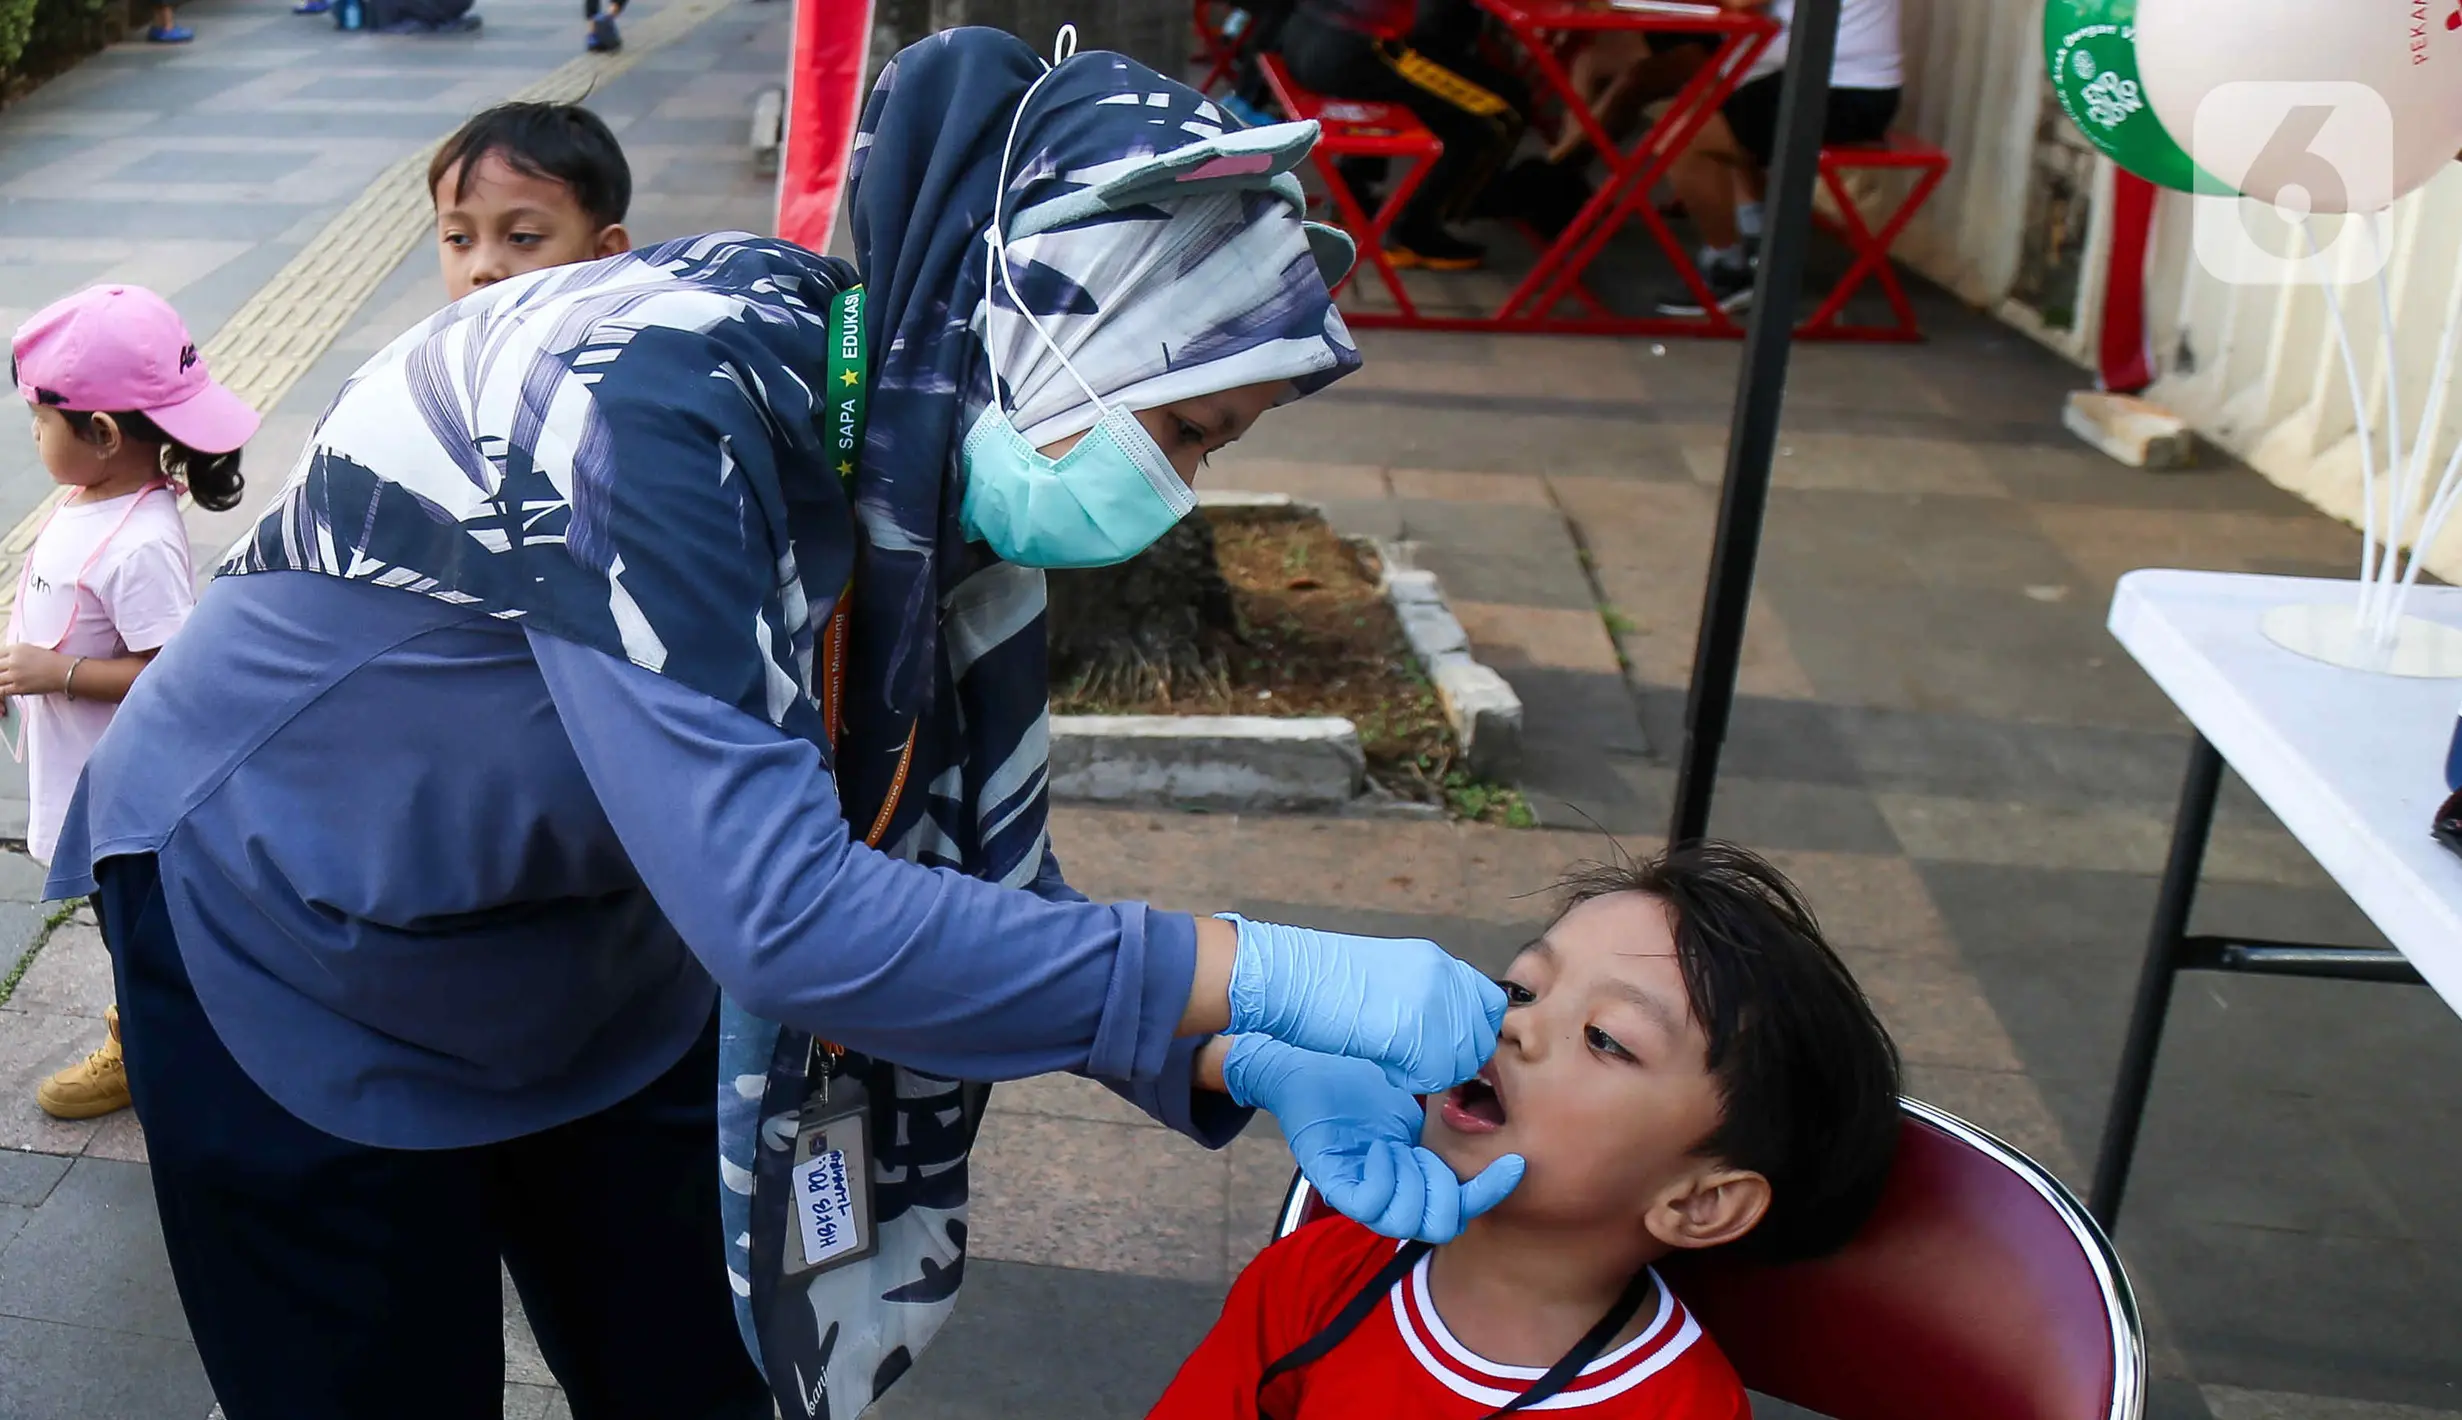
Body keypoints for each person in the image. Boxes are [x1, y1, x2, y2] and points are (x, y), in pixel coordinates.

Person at [46, 28, 1520, 1420]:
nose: (1177, 488)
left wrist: (1227, 1047)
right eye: (1187, 429)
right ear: (1037, 323)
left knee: (701, 1371)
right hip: (291, 933)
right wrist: (1257, 968)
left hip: (592, 942)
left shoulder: (900, 413)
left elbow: (944, 878)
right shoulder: (642, 400)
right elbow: (788, 920)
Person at [1151, 842, 1905, 1417]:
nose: (1516, 1025)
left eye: (1606, 1037)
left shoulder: (1680, 1408)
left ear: (1700, 1202)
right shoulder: (1321, 1273)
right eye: (1521, 987)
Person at [10, 286, 254, 1121]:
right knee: (126, 921)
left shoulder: (142, 538)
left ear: (103, 434)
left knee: (131, 924)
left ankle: (147, 1047)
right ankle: (159, 1027)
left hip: (121, 790)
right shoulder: (90, 496)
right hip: (81, 764)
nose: (33, 433)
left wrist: (56, 674)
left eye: (40, 420)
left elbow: (169, 670)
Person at [1657, 0, 1903, 315]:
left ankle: (1729, 271)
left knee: (1683, 142)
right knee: (1712, 106)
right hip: (1837, 80)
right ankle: (1760, 238)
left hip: (1841, 89)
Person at [1275, 0, 1529, 271]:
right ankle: (1418, 230)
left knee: (1446, 59)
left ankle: (1354, 194)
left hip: (1307, 28)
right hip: (1359, 47)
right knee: (1504, 111)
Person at [429, 101, 633, 300]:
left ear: (605, 255)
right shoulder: (442, 334)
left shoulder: (635, 332)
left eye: (522, 237)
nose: (484, 268)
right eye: (459, 239)